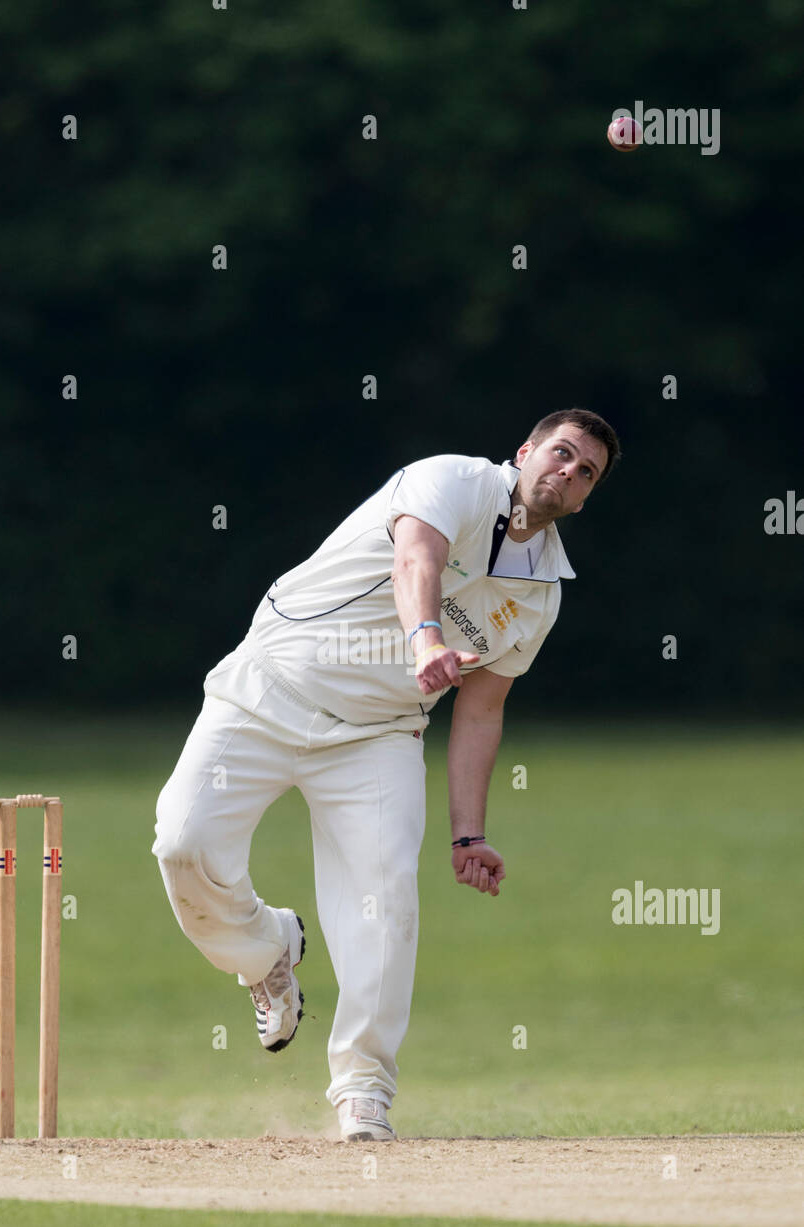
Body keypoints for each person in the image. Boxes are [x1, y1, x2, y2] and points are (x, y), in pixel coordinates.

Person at [153, 407, 620, 1141]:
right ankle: (266, 950)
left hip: (377, 735)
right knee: (182, 844)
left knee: (385, 903)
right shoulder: (454, 481)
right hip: (270, 687)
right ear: (526, 451)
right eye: (561, 453)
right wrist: (425, 638)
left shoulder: (543, 592)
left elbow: (481, 712)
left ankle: (364, 1091)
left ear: (587, 497)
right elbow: (416, 561)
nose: (567, 472)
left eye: (585, 471)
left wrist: (470, 835)